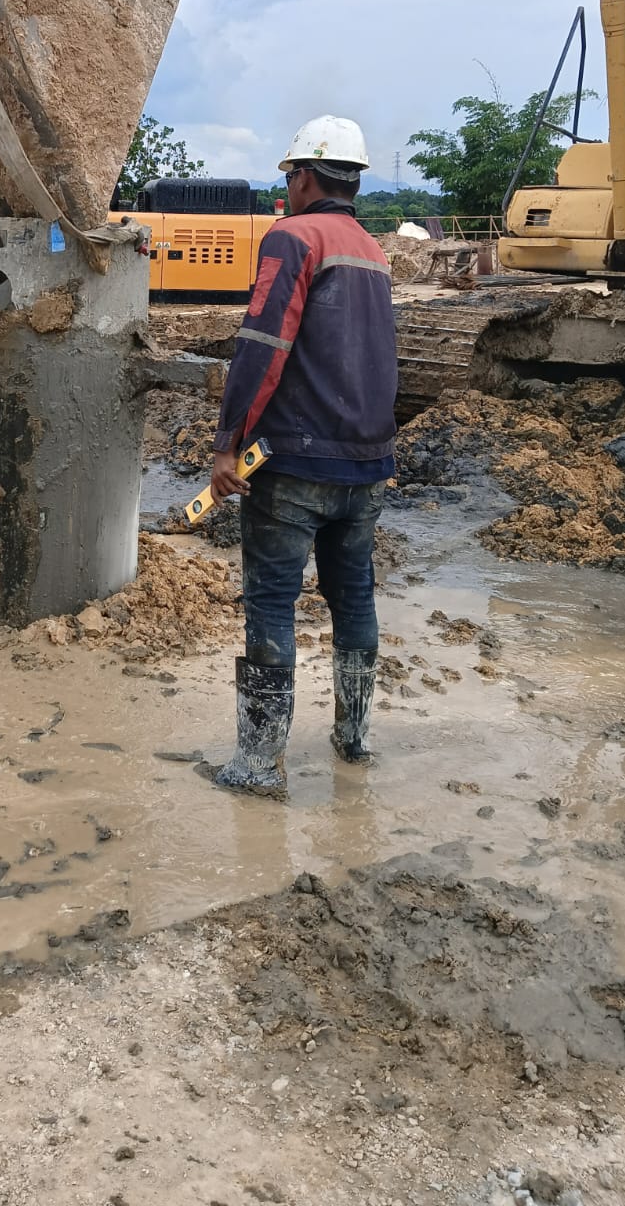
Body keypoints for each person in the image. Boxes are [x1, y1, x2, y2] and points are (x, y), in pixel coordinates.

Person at [208, 115, 398, 793]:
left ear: (307, 174)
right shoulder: (372, 251)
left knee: (270, 604)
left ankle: (258, 765)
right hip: (367, 465)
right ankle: (353, 740)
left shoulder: (293, 236)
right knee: (354, 602)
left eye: (288, 174)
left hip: (293, 464)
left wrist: (227, 444)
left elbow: (263, 345)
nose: (285, 186)